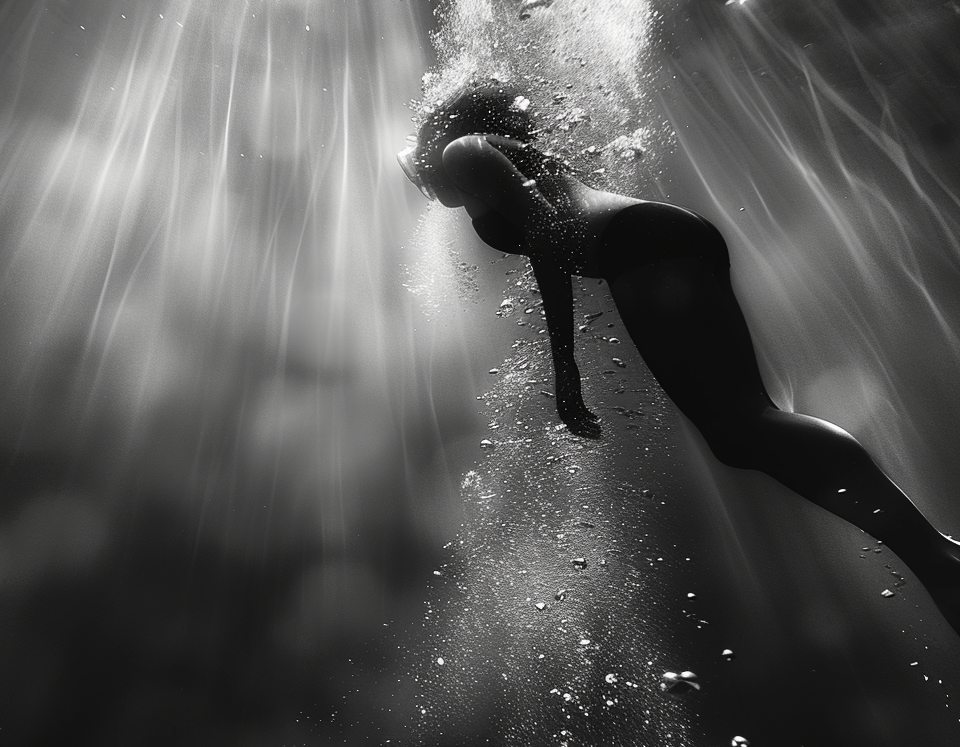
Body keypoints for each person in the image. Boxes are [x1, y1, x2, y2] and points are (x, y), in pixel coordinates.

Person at [400, 79, 960, 630]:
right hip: (652, 240)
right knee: (738, 437)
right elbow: (547, 236)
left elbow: (546, 236)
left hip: (639, 246)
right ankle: (932, 555)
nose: (421, 170)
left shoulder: (463, 151)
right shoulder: (491, 156)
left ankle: (935, 555)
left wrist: (564, 366)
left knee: (746, 425)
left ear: (445, 130)